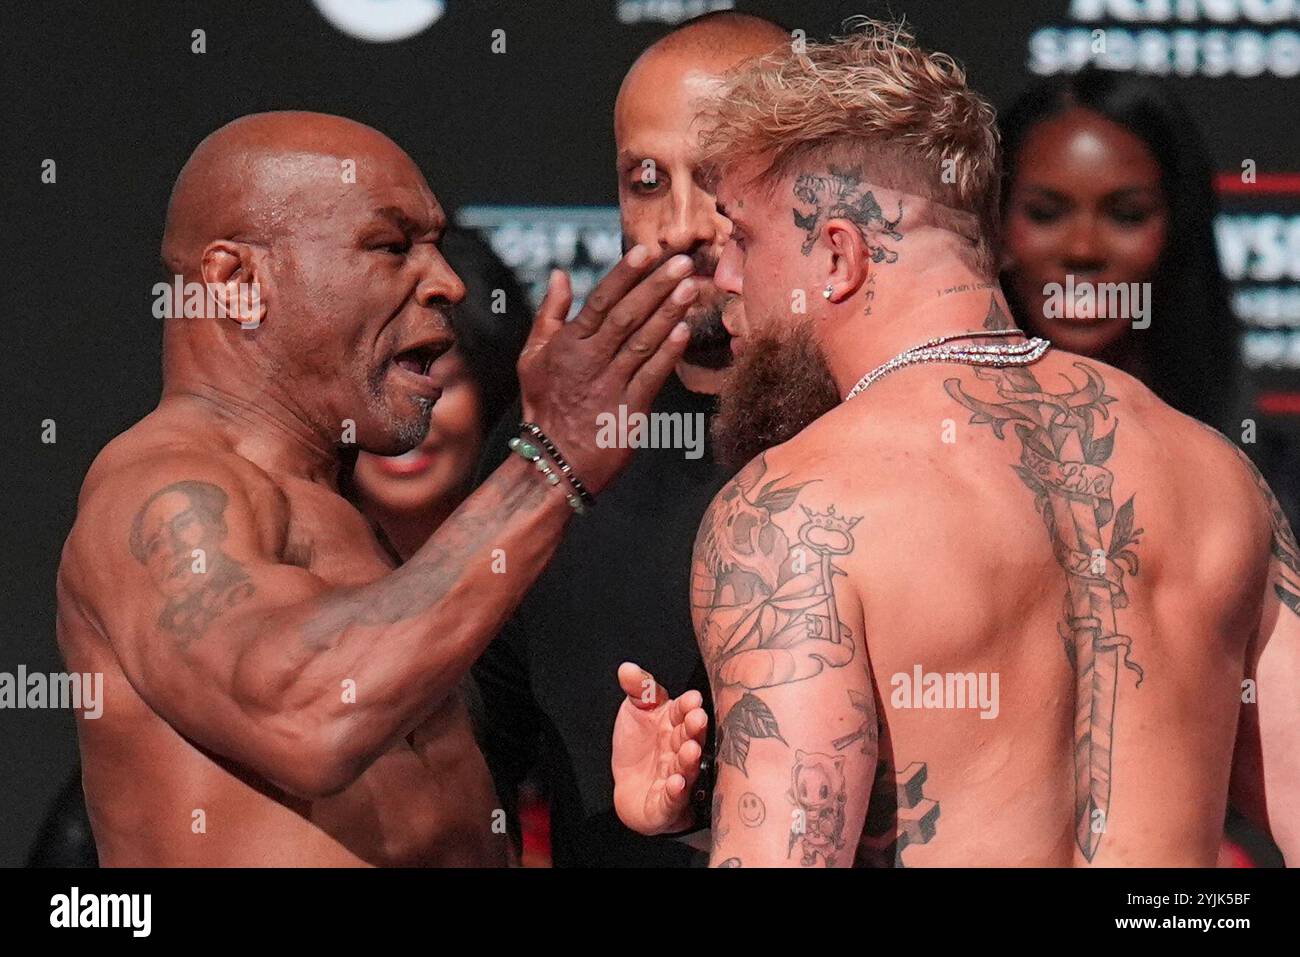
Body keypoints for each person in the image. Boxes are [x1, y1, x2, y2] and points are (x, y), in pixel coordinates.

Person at [613, 20, 1299, 867]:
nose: (723, 279)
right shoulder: (1212, 470)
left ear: (838, 255)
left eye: (743, 239)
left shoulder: (797, 508)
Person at [55, 110, 699, 866]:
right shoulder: (164, 491)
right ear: (237, 282)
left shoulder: (344, 519)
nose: (448, 282)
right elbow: (307, 711)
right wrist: (549, 464)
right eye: (392, 247)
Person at [473, 11, 789, 866]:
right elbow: (471, 773)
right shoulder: (554, 450)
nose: (682, 223)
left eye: (720, 177)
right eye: (648, 180)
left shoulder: (884, 434)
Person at [998, 69, 1238, 431]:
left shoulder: (1265, 472)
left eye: (1127, 215)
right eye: (1044, 214)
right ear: (993, 220)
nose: (1083, 249)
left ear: (1179, 224)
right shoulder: (923, 444)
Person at [347, 225, 532, 560]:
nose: (403, 415)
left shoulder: (555, 567)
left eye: (439, 383)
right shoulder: (275, 567)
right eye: (373, 383)